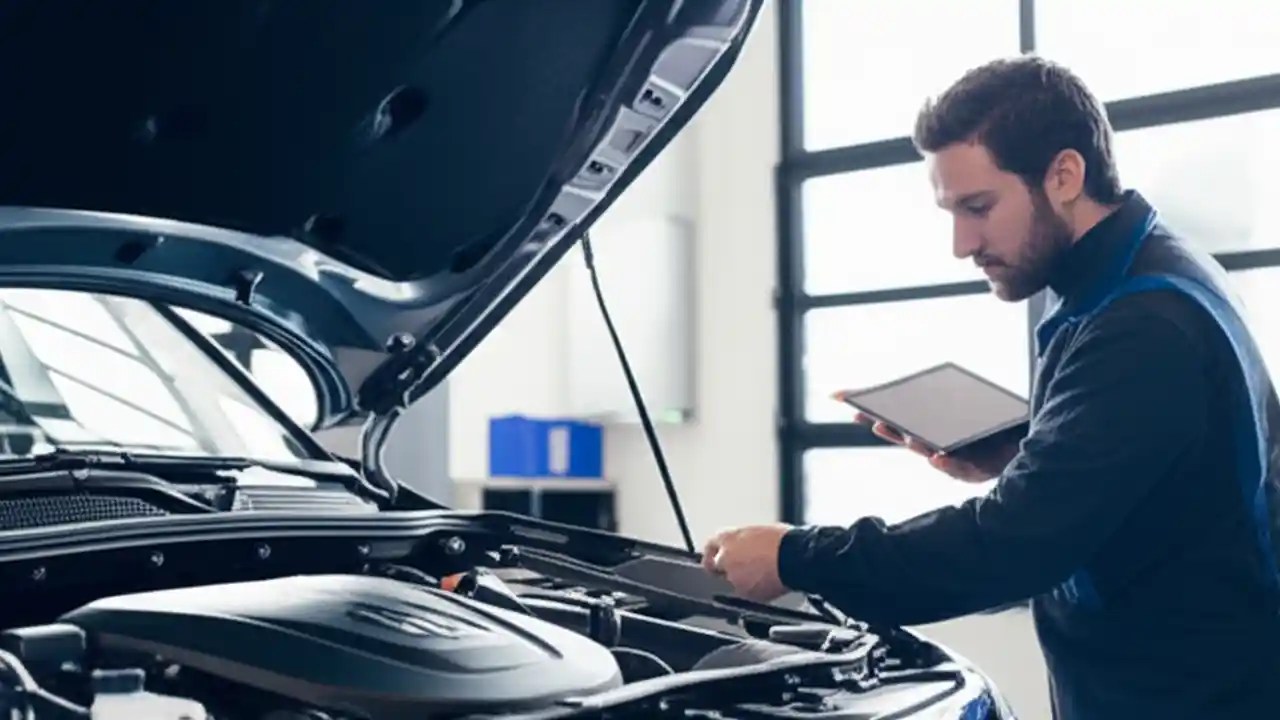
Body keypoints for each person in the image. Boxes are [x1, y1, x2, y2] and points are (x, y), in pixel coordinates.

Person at [702, 55, 1280, 718]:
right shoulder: (1138, 268)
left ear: (1064, 175)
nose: (961, 243)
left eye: (978, 207)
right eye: (951, 211)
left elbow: (1008, 548)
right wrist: (1026, 448)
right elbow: (1156, 461)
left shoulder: (1143, 322)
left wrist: (796, 558)